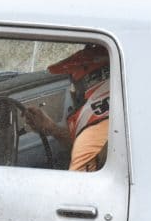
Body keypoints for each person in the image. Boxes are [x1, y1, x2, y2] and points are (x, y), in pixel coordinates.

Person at [25, 44, 111, 172]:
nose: (72, 93)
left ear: (88, 84)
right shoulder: (119, 114)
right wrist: (53, 129)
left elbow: (75, 186)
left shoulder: (88, 142)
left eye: (74, 85)